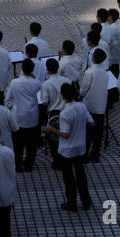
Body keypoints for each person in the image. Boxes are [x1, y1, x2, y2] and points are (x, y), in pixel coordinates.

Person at [44, 83, 93, 212]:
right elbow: (92, 123)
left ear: (62, 96)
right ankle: (86, 200)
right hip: (80, 147)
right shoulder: (82, 106)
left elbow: (65, 134)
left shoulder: (65, 113)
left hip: (67, 150)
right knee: (81, 174)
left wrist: (52, 129)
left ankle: (72, 203)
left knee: (69, 177)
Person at [6, 59, 42, 172]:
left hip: (18, 117)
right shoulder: (36, 83)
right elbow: (40, 92)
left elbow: (8, 97)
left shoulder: (15, 82)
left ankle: (18, 165)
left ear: (22, 69)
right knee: (32, 145)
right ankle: (29, 165)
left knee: (17, 144)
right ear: (32, 70)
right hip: (32, 117)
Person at [80, 49, 110, 162]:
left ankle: (85, 154)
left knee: (88, 133)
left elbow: (84, 89)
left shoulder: (89, 72)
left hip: (90, 105)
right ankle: (95, 154)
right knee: (98, 133)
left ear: (93, 58)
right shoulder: (105, 72)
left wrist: (79, 96)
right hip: (101, 106)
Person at [102, 9, 120, 77]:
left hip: (113, 56)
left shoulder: (112, 28)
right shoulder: (118, 26)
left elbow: (110, 43)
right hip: (117, 55)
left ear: (110, 17)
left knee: (113, 74)